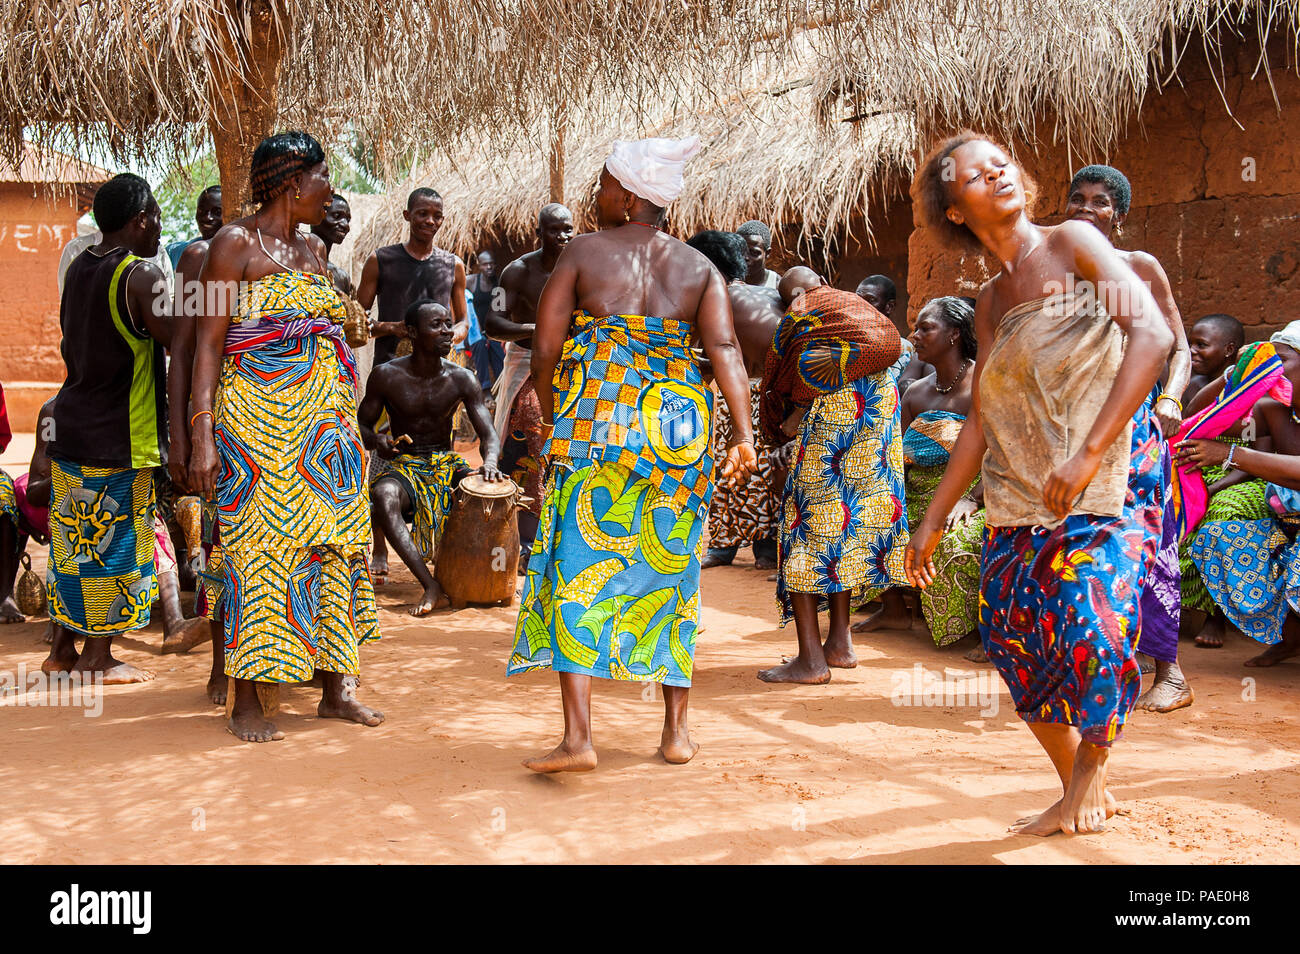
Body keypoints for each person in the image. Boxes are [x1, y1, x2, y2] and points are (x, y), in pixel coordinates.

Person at [906, 133, 1172, 836]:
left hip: (1101, 484)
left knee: (1093, 629)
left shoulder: (1077, 244)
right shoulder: (991, 302)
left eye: (1001, 162)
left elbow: (1150, 335)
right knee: (1014, 640)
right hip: (1019, 498)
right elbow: (983, 416)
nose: (996, 173)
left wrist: (1087, 453)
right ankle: (1077, 785)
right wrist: (933, 518)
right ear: (953, 209)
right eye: (974, 173)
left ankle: (1090, 771)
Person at [505, 137, 757, 772]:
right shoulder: (700, 268)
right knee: (673, 572)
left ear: (631, 195)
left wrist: (550, 412)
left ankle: (579, 739)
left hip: (598, 428)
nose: (596, 196)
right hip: (677, 433)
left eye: (604, 185)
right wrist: (744, 436)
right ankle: (675, 733)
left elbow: (543, 351)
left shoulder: (585, 252)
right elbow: (725, 351)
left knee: (574, 570)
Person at [188, 131, 383, 743]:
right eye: (324, 178)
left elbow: (319, 328)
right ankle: (247, 701)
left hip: (326, 430)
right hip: (256, 427)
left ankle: (335, 689)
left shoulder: (313, 252)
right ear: (294, 182)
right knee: (260, 553)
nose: (332, 191)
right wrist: (200, 435)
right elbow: (208, 345)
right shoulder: (232, 244)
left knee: (334, 546)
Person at [1065, 163, 1194, 712]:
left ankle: (1172, 672)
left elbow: (1179, 348)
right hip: (1068, 430)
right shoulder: (1050, 270)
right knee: (1076, 546)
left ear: (1119, 215)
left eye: (1100, 202)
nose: (1086, 209)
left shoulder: (1139, 268)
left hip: (1134, 433)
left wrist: (1170, 398)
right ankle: (1092, 669)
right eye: (1078, 199)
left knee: (1144, 545)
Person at [40, 173, 172, 685]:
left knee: (74, 545)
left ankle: (61, 651)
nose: (160, 227)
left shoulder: (79, 269)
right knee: (115, 546)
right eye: (157, 216)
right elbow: (179, 335)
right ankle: (99, 657)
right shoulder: (141, 276)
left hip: (74, 425)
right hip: (120, 434)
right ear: (140, 220)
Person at [758, 266, 908, 684]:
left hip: (828, 433)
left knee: (806, 529)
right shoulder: (867, 325)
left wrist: (781, 421)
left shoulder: (802, 321)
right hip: (872, 434)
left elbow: (776, 380)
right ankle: (839, 644)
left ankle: (810, 660)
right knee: (844, 525)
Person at [853, 297, 986, 656]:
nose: (916, 335)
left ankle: (974, 626)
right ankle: (893, 609)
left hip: (972, 495)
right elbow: (893, 455)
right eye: (915, 328)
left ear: (955, 333)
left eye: (926, 328)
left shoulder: (983, 384)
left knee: (957, 541)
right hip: (915, 490)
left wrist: (970, 499)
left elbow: (1000, 452)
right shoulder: (916, 392)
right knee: (868, 518)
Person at [360, 300, 503, 617]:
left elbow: (489, 434)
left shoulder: (461, 378)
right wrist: (377, 440)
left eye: (448, 324)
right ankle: (431, 585)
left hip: (446, 464)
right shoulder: (386, 376)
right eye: (436, 325)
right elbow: (363, 424)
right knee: (383, 496)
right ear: (412, 332)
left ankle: (486, 578)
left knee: (489, 494)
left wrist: (489, 462)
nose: (447, 332)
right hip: (406, 466)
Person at [357, 187, 468, 578]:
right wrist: (398, 329)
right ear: (407, 216)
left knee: (438, 453)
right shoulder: (381, 260)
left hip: (438, 374)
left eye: (436, 215)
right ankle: (380, 549)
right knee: (382, 456)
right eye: (422, 214)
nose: (430, 222)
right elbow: (357, 320)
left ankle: (435, 541)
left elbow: (463, 319)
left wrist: (447, 336)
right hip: (392, 373)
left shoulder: (451, 264)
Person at [1179, 323, 1300, 666]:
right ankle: (1290, 640)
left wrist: (1231, 455)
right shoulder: (1273, 410)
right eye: (1268, 362)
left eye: (1282, 361)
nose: (1273, 370)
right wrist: (1234, 375)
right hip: (1286, 523)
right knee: (1219, 536)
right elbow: (1194, 419)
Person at [481, 203, 575, 564]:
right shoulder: (515, 272)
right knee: (529, 438)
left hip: (570, 366)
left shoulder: (578, 269)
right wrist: (537, 332)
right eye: (555, 230)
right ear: (539, 233)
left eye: (568, 229)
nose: (563, 237)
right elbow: (493, 322)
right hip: (527, 365)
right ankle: (524, 541)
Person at [686, 229, 782, 570]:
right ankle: (729, 545)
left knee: (753, 469)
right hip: (757, 393)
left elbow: (727, 356)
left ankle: (765, 548)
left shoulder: (720, 298)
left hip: (760, 394)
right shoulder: (752, 295)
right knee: (743, 469)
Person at [467, 250, 505, 390]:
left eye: (491, 264)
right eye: (485, 264)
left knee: (497, 351)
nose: (488, 267)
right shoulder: (471, 282)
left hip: (493, 329)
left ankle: (500, 389)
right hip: (475, 330)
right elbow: (458, 298)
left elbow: (500, 310)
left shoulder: (499, 283)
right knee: (480, 344)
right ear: (479, 265)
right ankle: (486, 389)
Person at [1186, 313, 1245, 399]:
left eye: (1201, 345)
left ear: (1229, 350)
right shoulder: (1193, 386)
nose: (1191, 350)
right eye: (1190, 344)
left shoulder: (1246, 387)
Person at [166, 185, 224, 268]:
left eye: (217, 212)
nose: (207, 217)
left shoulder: (239, 254)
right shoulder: (174, 252)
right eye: (201, 210)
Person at [312, 193, 354, 295]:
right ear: (316, 215)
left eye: (347, 220)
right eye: (336, 216)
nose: (345, 225)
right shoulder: (292, 263)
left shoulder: (342, 277)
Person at [736, 220, 781, 288]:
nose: (745, 258)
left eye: (753, 253)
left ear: (767, 253)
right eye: (740, 251)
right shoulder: (725, 282)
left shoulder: (777, 285)